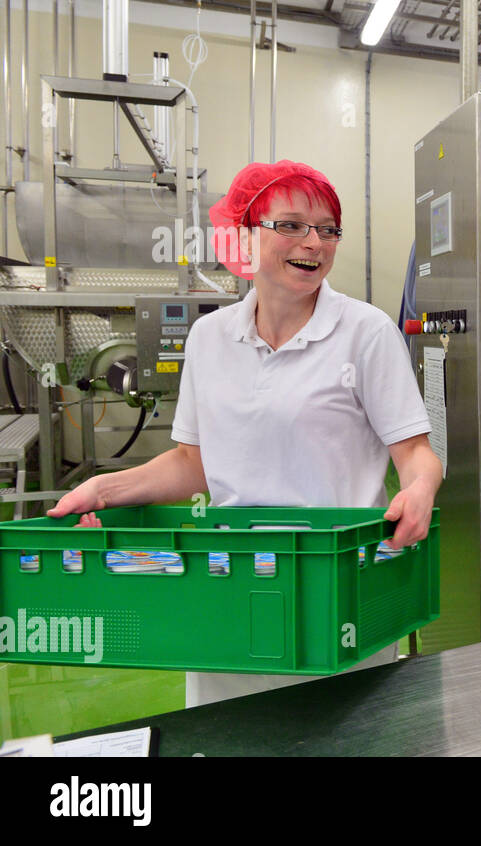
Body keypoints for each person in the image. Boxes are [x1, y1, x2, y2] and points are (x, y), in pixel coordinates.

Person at [49, 160, 443, 704]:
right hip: (228, 586)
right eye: (291, 225)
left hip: (333, 589)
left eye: (328, 229)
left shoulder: (365, 332)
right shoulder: (210, 337)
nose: (314, 242)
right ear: (243, 237)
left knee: (342, 730)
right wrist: (105, 489)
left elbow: (415, 452)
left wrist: (419, 490)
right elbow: (193, 463)